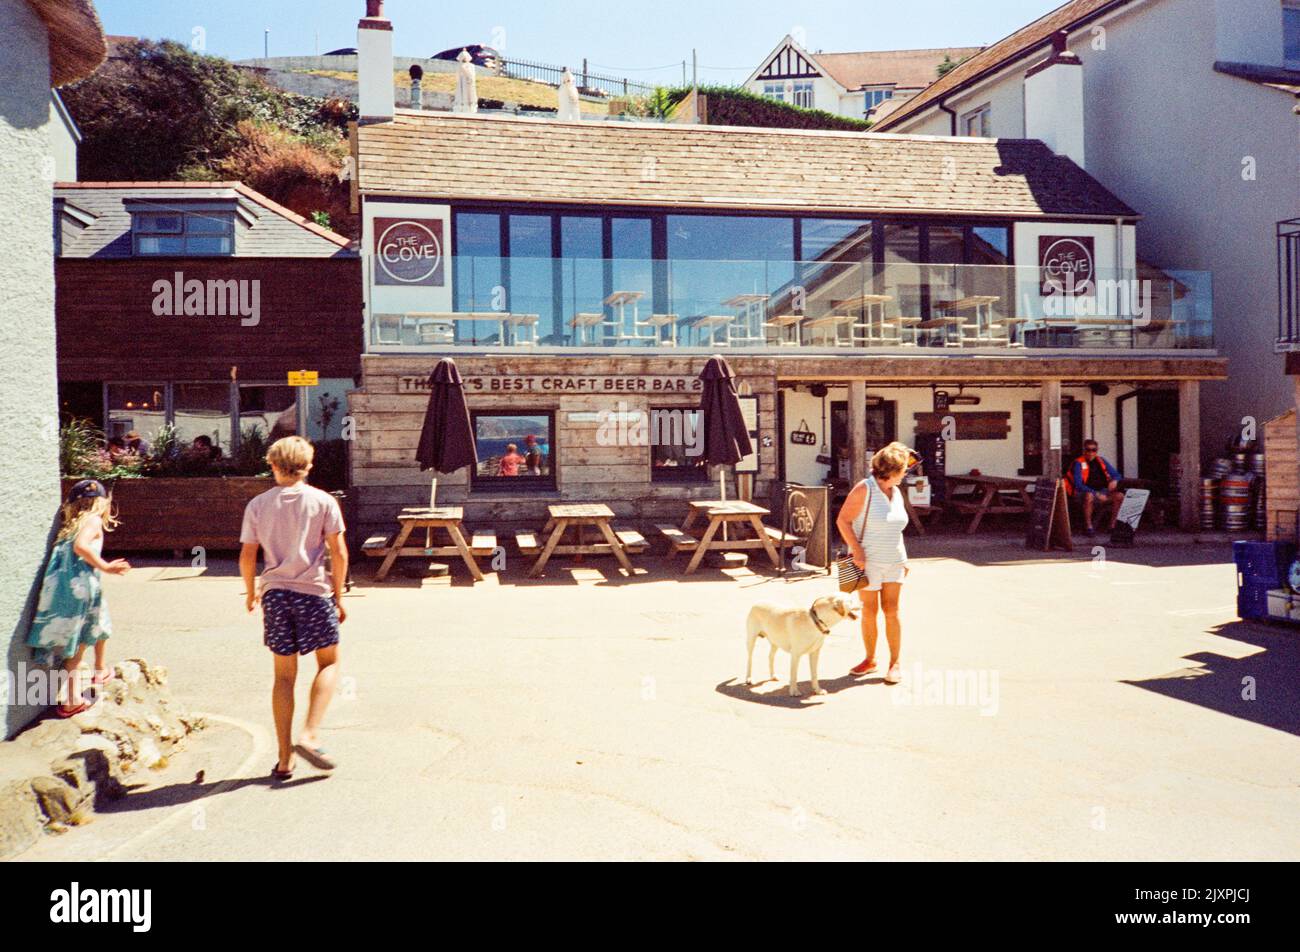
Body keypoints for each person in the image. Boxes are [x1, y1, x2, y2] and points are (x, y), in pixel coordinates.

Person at [239, 436, 348, 781]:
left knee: (284, 677)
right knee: (328, 662)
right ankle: (310, 734)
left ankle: (285, 759)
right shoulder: (323, 501)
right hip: (313, 593)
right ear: (308, 465)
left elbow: (247, 555)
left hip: (275, 594)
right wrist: (339, 595)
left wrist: (250, 592)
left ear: (273, 465)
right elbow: (339, 552)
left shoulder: (258, 504)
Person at [27, 480, 131, 717]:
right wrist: (106, 566)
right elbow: (81, 547)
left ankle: (100, 669)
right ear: (102, 503)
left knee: (96, 626)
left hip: (62, 590)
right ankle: (74, 699)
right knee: (79, 647)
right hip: (82, 588)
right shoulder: (92, 521)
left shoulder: (68, 526)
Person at [835, 442, 915, 686]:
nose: (906, 473)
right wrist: (857, 551)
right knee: (869, 612)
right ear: (892, 470)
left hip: (894, 561)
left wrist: (904, 559)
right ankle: (870, 659)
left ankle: (895, 663)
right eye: (904, 469)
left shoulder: (896, 492)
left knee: (892, 610)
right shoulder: (864, 489)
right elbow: (843, 521)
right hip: (866, 562)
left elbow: (896, 528)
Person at [1069, 439, 1124, 535]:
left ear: (1097, 450)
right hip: (1084, 493)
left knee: (1120, 496)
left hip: (1103, 492)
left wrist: (1115, 481)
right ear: (1084, 450)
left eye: (1093, 450)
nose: (1090, 453)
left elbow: (1117, 474)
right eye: (1088, 450)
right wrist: (1096, 494)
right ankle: (1088, 526)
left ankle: (1112, 525)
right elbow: (1079, 485)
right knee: (1089, 495)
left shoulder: (1101, 460)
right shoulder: (1078, 463)